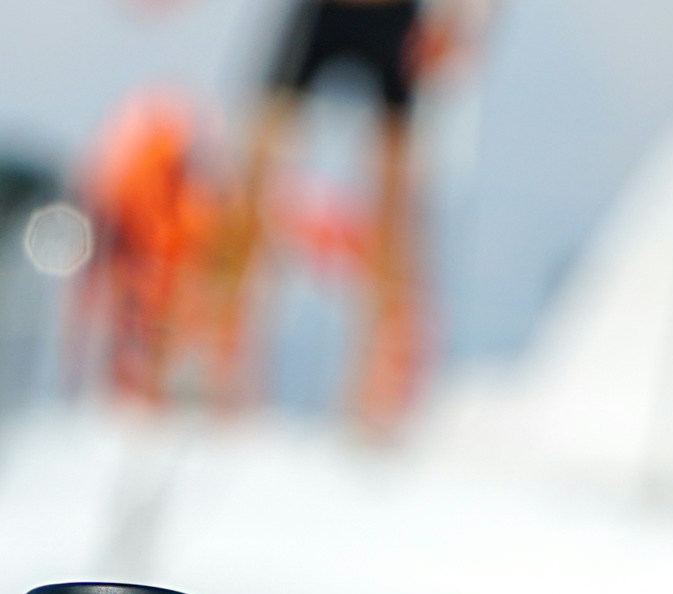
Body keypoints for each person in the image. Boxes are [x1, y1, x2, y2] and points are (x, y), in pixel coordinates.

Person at [209, 0, 491, 428]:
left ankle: (381, 395)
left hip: (395, 20)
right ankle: (217, 360)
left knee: (398, 201)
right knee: (252, 170)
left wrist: (461, 21)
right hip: (322, 13)